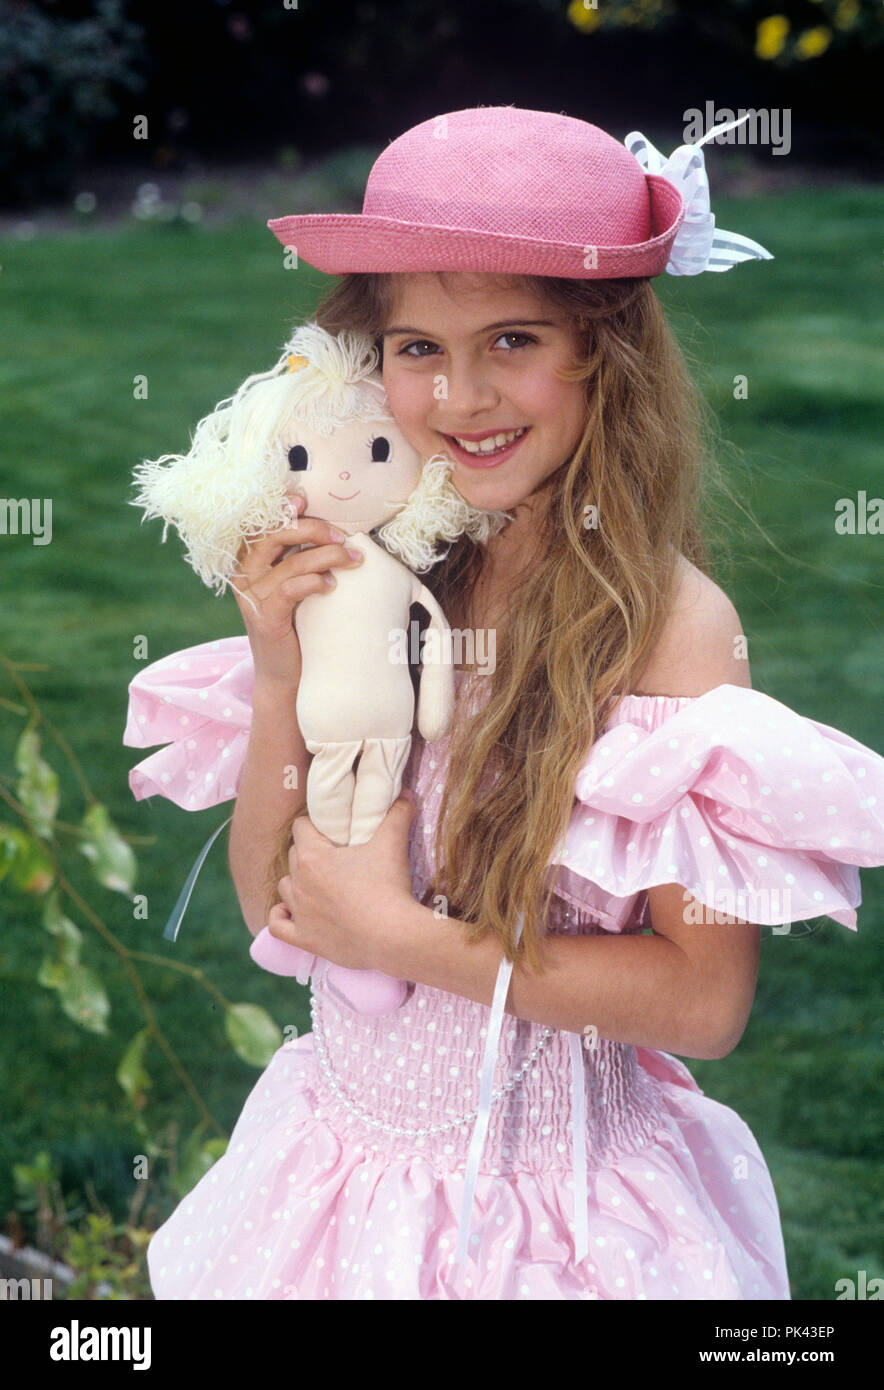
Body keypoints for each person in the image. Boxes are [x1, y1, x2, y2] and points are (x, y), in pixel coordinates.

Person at [127, 106, 884, 1300]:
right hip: (343, 1182)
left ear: (604, 352)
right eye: (417, 347)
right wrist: (278, 671)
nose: (461, 394)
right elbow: (275, 906)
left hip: (547, 1223)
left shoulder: (665, 629)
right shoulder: (383, 564)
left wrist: (403, 940)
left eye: (513, 339)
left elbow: (702, 999)